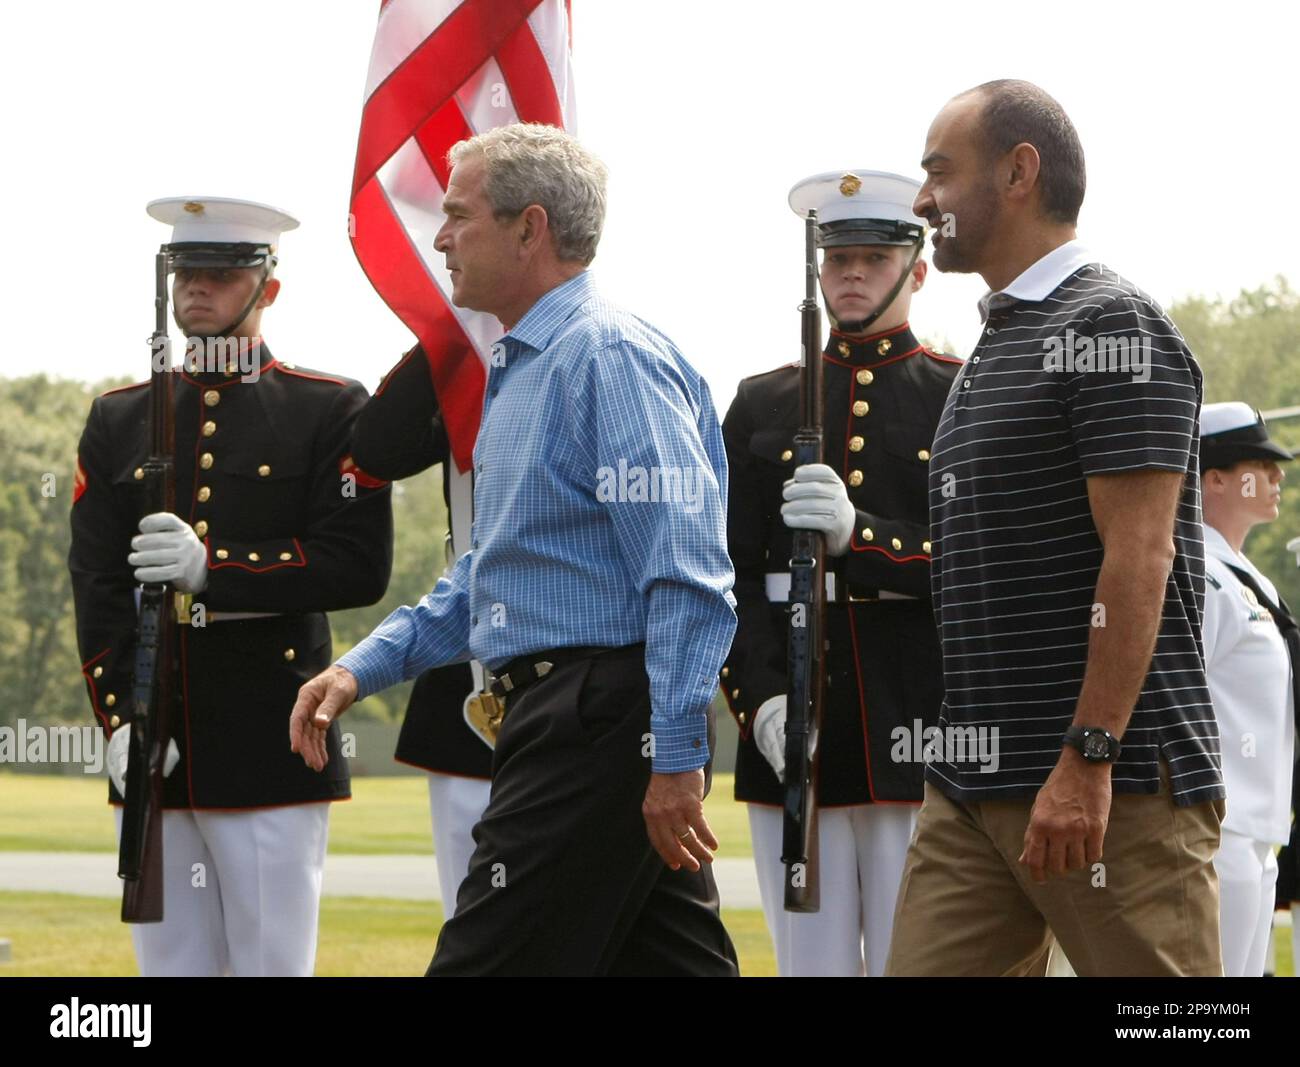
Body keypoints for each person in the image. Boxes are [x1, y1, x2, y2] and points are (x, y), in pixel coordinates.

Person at [289, 123, 740, 976]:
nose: (440, 236)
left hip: (598, 726)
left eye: (460, 214)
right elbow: (491, 576)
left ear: (530, 228)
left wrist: (675, 756)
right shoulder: (529, 364)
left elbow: (687, 576)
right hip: (574, 722)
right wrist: (360, 669)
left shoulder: (607, 358)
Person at [886, 80, 1224, 977]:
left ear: (1019, 172)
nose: (922, 201)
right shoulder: (1000, 339)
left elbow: (1140, 555)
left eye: (939, 173)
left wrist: (1088, 757)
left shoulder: (1110, 324)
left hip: (1112, 787)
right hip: (972, 787)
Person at [69, 196, 394, 976]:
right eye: (185, 272)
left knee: (270, 966)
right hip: (157, 741)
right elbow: (98, 584)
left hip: (270, 742)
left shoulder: (330, 408)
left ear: (268, 287)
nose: (197, 291)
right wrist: (120, 719)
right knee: (169, 971)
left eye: (220, 273)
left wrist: (213, 567)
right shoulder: (120, 417)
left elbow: (355, 564)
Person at [720, 170, 959, 976]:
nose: (851, 273)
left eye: (873, 258)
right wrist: (761, 702)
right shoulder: (761, 402)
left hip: (912, 720)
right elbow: (730, 577)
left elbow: (974, 562)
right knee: (809, 965)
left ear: (917, 270)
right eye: (838, 258)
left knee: (914, 958)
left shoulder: (958, 394)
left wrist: (867, 538)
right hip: (796, 720)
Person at [350, 345, 492, 915]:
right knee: (469, 920)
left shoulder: (606, 358)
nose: (446, 248)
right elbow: (377, 448)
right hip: (466, 675)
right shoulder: (466, 358)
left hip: (583, 676)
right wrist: (444, 334)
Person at [1198, 402, 1296, 976]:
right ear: (1213, 479)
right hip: (1218, 826)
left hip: (1256, 827)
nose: (1279, 477)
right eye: (1260, 464)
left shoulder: (1242, 574)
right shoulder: (1202, 575)